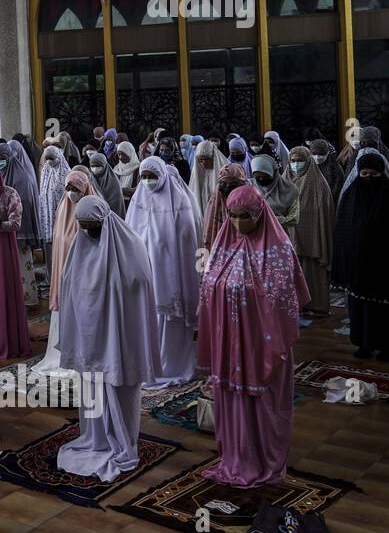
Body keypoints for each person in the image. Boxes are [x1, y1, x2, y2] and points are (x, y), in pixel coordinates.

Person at [198, 187, 308, 485]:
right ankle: (236, 456)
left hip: (261, 345)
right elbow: (209, 285)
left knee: (262, 403)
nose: (235, 223)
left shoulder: (278, 250)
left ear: (258, 215)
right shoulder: (223, 244)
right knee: (233, 400)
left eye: (243, 216)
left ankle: (263, 459)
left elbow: (282, 301)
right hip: (229, 343)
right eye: (231, 216)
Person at [56, 197, 161, 481]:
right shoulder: (79, 248)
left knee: (120, 388)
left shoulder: (131, 247)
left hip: (120, 341)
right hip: (90, 338)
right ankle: (96, 437)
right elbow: (69, 287)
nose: (88, 232)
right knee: (92, 387)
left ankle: (124, 438)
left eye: (92, 226)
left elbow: (140, 286)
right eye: (84, 227)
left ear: (105, 221)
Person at [124, 156, 200, 389]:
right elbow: (129, 237)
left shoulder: (179, 203)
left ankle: (173, 365)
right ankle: (148, 365)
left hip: (171, 277)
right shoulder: (138, 200)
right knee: (147, 321)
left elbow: (189, 246)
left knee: (169, 323)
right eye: (144, 177)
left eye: (152, 176)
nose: (147, 181)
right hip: (145, 275)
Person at [331, 150, 389, 361]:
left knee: (385, 309)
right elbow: (343, 233)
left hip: (385, 266)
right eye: (364, 174)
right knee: (360, 308)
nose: (369, 178)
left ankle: (387, 347)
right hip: (358, 266)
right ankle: (364, 344)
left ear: (382, 173)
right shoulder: (350, 197)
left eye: (374, 174)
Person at [33, 168, 96, 377]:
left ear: (84, 188)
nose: (70, 192)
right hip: (64, 275)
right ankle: (64, 353)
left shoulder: (91, 209)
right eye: (68, 187)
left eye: (75, 188)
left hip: (85, 275)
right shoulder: (63, 208)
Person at [0, 158, 30, 358]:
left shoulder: (9, 193)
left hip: (2, 249)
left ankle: (6, 341)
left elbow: (16, 222)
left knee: (3, 289)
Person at [0, 140, 42, 306]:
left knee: (23, 267)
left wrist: (7, 223)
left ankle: (27, 301)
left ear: (9, 157)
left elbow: (24, 205)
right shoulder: (1, 174)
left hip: (19, 230)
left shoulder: (22, 177)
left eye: (1, 158)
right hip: (4, 234)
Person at [287, 146, 334, 318]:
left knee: (313, 272)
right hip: (290, 237)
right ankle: (297, 305)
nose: (296, 164)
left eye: (300, 160)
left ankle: (318, 305)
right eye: (292, 161)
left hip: (314, 238)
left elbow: (326, 212)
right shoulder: (285, 181)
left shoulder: (319, 184)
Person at [250, 153, 299, 237]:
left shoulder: (289, 190)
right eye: (257, 177)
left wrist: (271, 219)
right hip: (253, 235)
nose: (261, 179)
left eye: (265, 176)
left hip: (278, 236)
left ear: (274, 173)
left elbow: (294, 218)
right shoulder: (248, 186)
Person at [202, 162, 248, 250]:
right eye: (224, 184)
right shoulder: (215, 202)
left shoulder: (250, 200)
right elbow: (209, 233)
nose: (227, 188)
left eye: (233, 185)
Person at [187, 134, 226, 236]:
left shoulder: (224, 169)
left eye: (207, 159)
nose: (203, 163)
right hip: (202, 212)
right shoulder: (196, 172)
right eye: (200, 160)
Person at [36, 145, 69, 266]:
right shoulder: (46, 169)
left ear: (58, 157)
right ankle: (50, 277)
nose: (49, 161)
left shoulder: (66, 172)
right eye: (47, 158)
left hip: (60, 214)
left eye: (51, 158)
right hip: (47, 215)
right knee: (49, 248)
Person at [86, 150, 125, 217]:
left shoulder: (113, 182)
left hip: (111, 216)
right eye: (93, 166)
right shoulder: (88, 179)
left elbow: (116, 205)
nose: (95, 169)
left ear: (105, 165)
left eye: (98, 166)